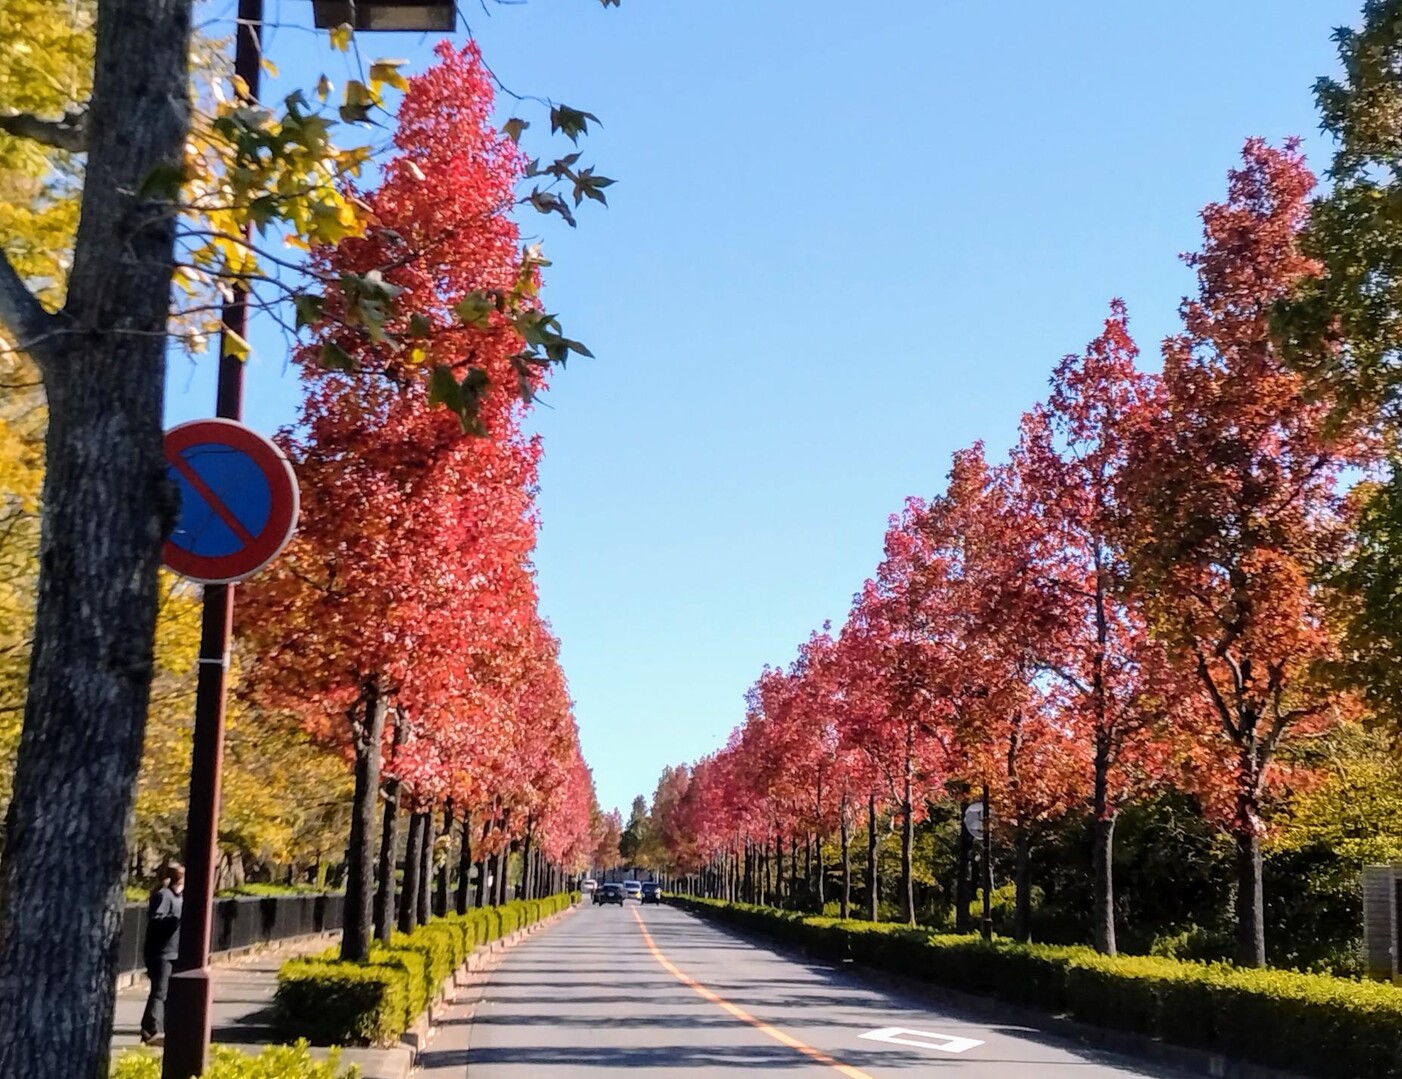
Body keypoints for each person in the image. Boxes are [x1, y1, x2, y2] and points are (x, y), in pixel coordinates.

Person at [140, 862, 184, 1046]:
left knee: (165, 992)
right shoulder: (164, 896)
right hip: (161, 952)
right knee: (160, 992)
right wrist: (175, 919)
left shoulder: (178, 897)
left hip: (173, 951)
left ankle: (156, 1027)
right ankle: (152, 1030)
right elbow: (156, 919)